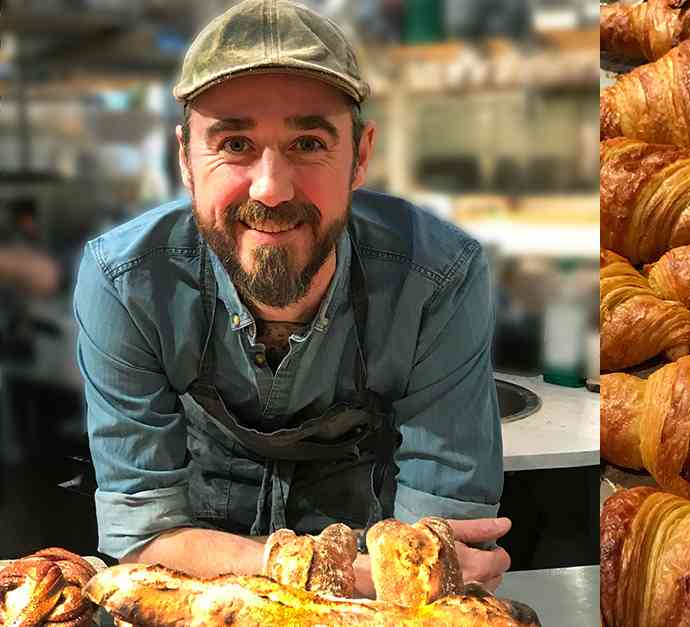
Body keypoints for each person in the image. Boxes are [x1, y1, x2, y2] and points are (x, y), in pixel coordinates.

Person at [73, 0, 510, 595]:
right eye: (233, 144)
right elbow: (142, 536)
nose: (272, 189)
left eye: (308, 143)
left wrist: (387, 576)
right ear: (184, 160)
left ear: (359, 155)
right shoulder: (126, 284)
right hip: (209, 597)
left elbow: (445, 540)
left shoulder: (438, 278)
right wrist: (341, 573)